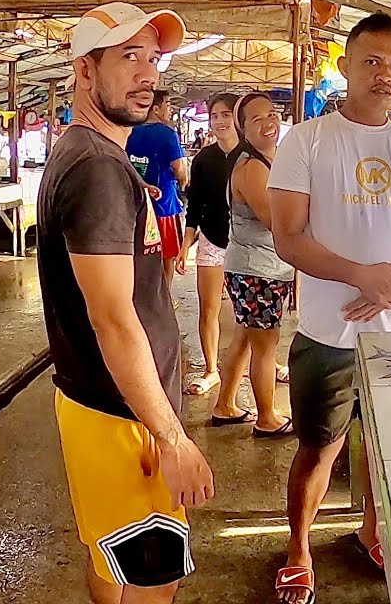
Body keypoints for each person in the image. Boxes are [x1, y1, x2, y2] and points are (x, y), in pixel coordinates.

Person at [267, 13, 391, 604]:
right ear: (344, 66)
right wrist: (360, 277)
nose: (385, 75)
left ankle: (373, 528)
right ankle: (299, 546)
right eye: (372, 61)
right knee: (319, 445)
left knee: (384, 444)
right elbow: (288, 238)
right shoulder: (308, 139)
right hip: (329, 328)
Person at [37, 2, 212, 604]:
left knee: (111, 561)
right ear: (85, 69)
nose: (147, 74)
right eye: (128, 57)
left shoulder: (88, 152)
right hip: (123, 416)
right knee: (151, 581)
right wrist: (171, 437)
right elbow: (113, 319)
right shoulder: (96, 169)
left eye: (153, 58)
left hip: (97, 403)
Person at [210, 92, 296, 436]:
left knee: (245, 338)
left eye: (272, 115)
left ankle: (225, 405)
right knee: (266, 346)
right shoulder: (252, 168)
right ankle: (267, 418)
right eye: (257, 120)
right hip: (257, 271)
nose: (269, 123)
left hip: (260, 268)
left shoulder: (268, 161)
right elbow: (277, 221)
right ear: (243, 129)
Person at [181, 93, 241, 396]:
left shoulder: (253, 155)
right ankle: (210, 370)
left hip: (250, 245)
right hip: (213, 241)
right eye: (214, 116)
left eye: (225, 115)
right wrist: (185, 246)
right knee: (208, 308)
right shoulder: (204, 159)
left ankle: (269, 363)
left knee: (252, 312)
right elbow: (195, 206)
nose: (219, 121)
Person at [127, 90, 190, 288]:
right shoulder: (167, 133)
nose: (170, 110)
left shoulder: (130, 131)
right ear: (155, 108)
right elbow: (180, 170)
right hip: (164, 205)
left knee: (138, 253)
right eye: (167, 104)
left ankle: (139, 295)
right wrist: (183, 183)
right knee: (167, 255)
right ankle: (165, 298)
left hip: (135, 204)